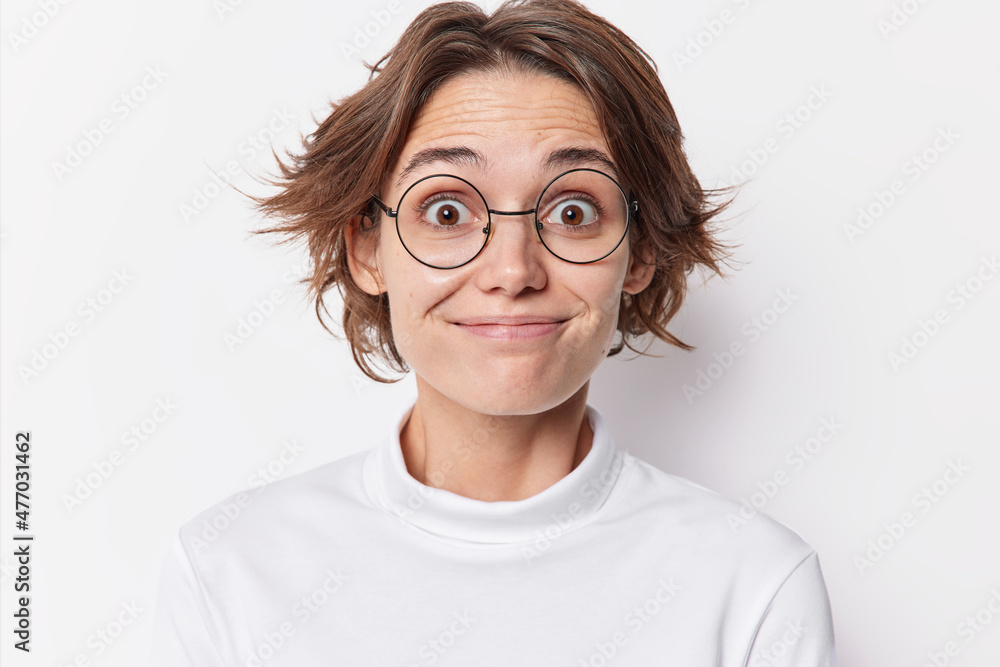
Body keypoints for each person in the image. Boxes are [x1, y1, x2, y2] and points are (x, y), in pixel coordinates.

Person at [152, 1, 837, 665]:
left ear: (642, 249)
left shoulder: (753, 586)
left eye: (573, 210)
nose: (513, 269)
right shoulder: (230, 568)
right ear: (367, 249)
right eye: (447, 210)